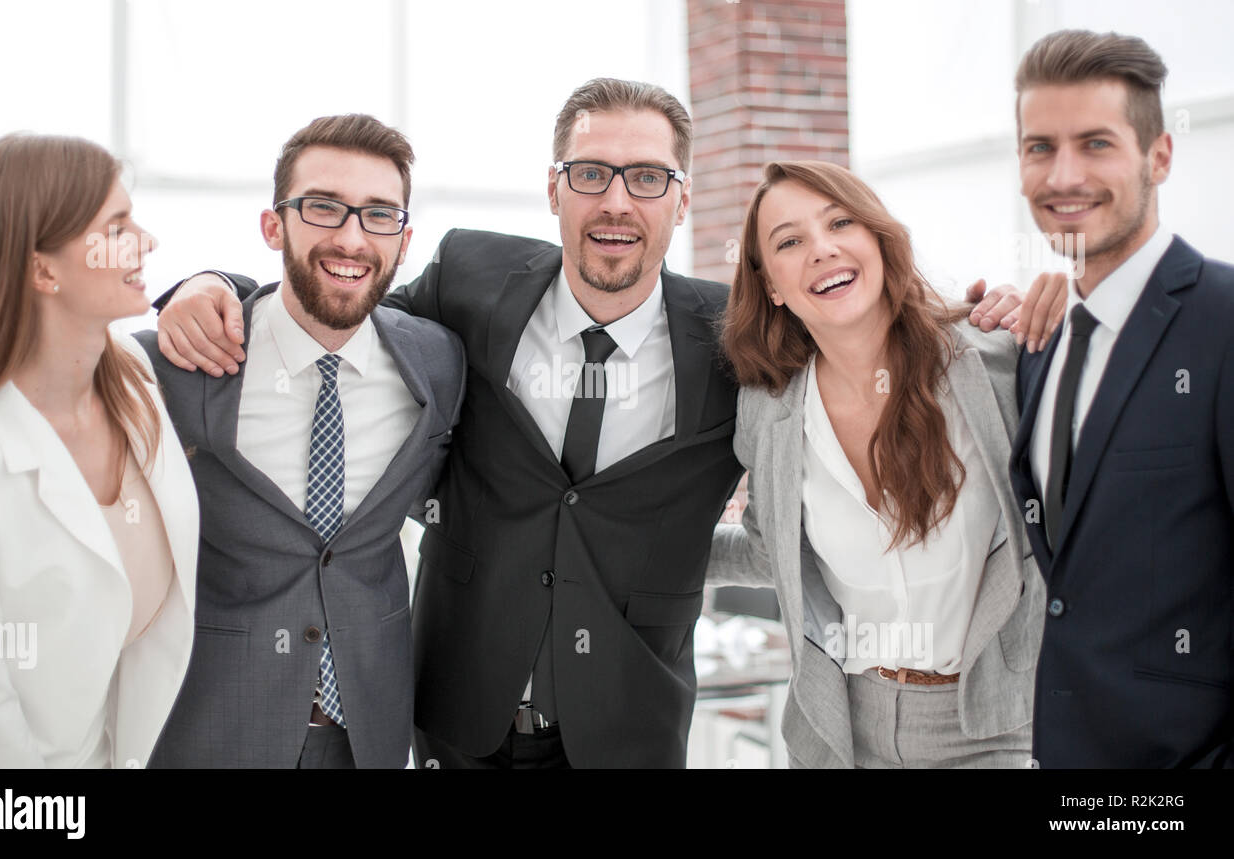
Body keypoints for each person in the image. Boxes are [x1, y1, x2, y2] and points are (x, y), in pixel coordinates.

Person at [155, 80, 1038, 768]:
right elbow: (343, 300)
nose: (618, 200)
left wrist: (979, 312)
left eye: (648, 177)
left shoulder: (732, 347)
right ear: (554, 189)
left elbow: (849, 325)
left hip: (628, 730)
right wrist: (209, 285)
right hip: (456, 713)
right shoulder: (471, 282)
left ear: (680, 202)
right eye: (592, 174)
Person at [136, 115, 465, 769]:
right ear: (273, 224)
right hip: (211, 729)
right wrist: (202, 282)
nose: (351, 238)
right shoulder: (177, 365)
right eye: (324, 208)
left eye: (378, 215)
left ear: (404, 240)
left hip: (366, 736)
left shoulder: (439, 366)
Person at [709, 159, 1050, 768]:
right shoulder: (771, 408)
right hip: (838, 731)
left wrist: (1064, 313)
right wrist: (629, 552)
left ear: (878, 240)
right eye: (789, 241)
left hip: (991, 729)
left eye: (840, 222)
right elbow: (768, 549)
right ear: (772, 287)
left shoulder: (994, 363)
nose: (821, 249)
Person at [1007, 30, 1234, 767]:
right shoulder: (1040, 343)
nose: (1062, 175)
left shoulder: (1223, 321)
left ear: (1159, 155)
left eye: (1095, 144)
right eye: (1040, 147)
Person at [0, 133, 198, 768]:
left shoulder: (135, 376)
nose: (147, 241)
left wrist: (208, 284)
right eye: (117, 226)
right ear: (43, 269)